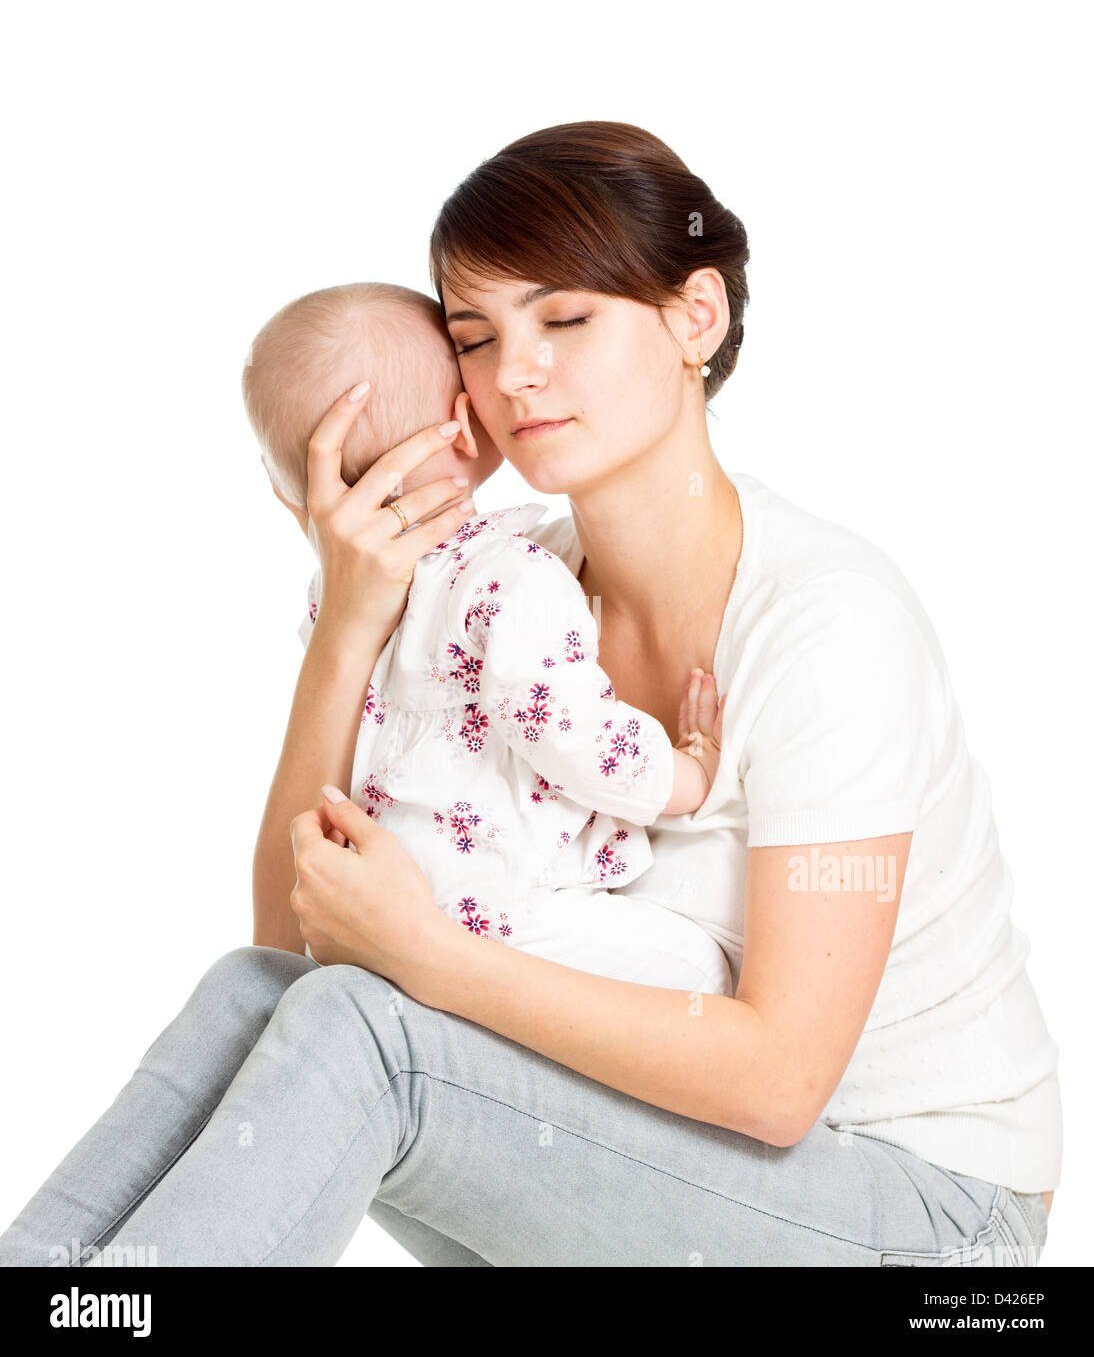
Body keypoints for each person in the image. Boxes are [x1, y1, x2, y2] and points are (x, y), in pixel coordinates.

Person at [0, 121, 1059, 1267]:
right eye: (474, 335)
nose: (514, 374)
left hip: (931, 1225)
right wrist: (348, 626)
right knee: (255, 991)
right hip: (680, 1158)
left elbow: (781, 1082)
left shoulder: (827, 623)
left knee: (376, 1035)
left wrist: (432, 960)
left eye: (564, 319)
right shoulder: (509, 592)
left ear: (693, 317)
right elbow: (295, 937)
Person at [244, 282, 730, 992]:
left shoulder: (336, 592)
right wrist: (691, 776)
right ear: (466, 429)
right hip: (501, 910)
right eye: (475, 346)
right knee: (705, 972)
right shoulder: (510, 578)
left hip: (367, 901)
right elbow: (569, 733)